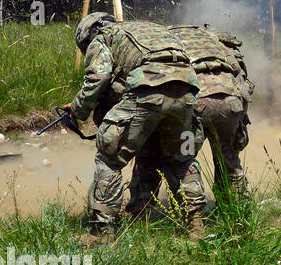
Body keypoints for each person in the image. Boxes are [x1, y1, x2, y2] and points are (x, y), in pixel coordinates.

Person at [66, 12, 203, 236]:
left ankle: (102, 231)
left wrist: (78, 110)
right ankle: (196, 226)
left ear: (88, 34)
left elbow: (98, 78)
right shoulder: (146, 29)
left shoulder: (102, 36)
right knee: (182, 158)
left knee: (109, 157)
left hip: (148, 90)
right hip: (187, 91)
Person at [129, 25, 252, 216]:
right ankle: (237, 215)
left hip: (196, 107)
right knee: (230, 162)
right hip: (231, 105)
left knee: (183, 160)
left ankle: (184, 215)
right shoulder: (216, 40)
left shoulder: (166, 44)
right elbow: (244, 81)